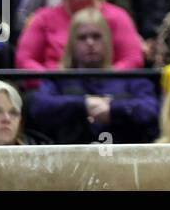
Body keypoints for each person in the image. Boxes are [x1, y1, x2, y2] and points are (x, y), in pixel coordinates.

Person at [27, 8, 160, 144]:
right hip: (70, 159)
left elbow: (151, 108)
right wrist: (84, 105)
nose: (90, 43)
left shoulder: (129, 78)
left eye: (96, 36)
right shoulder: (58, 79)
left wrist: (113, 110)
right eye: (82, 38)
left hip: (124, 157)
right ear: (72, 43)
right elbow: (39, 107)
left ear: (107, 41)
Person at [15, 0, 144, 70]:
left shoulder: (118, 16)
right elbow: (24, 60)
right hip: (55, 91)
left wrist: (107, 79)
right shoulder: (42, 17)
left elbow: (133, 59)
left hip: (110, 90)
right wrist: (51, 81)